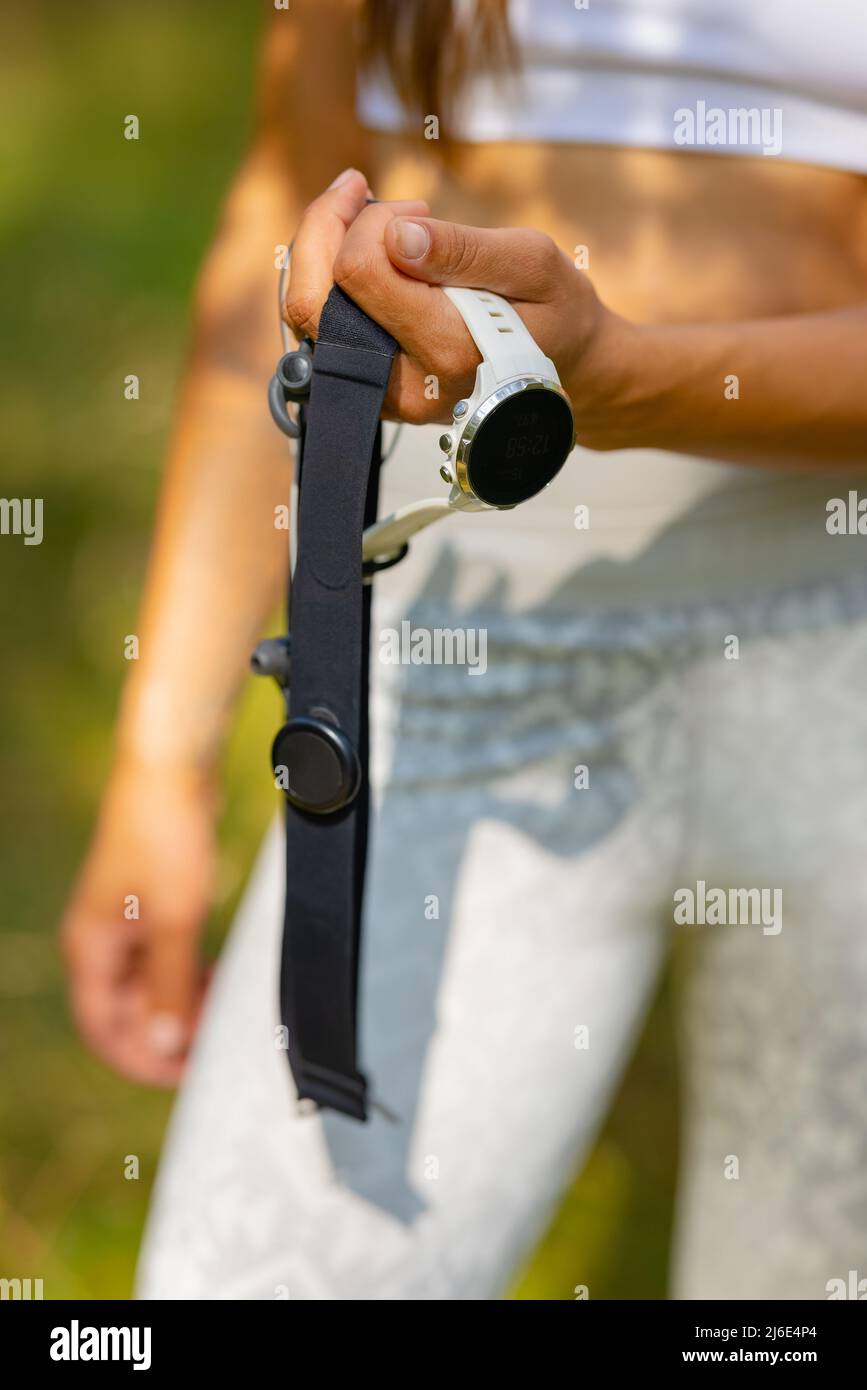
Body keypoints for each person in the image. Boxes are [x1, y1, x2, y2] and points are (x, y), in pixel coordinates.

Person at [62, 0, 867, 1299]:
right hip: (468, 642)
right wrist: (161, 758)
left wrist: (627, 379)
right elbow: (288, 201)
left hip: (842, 650)